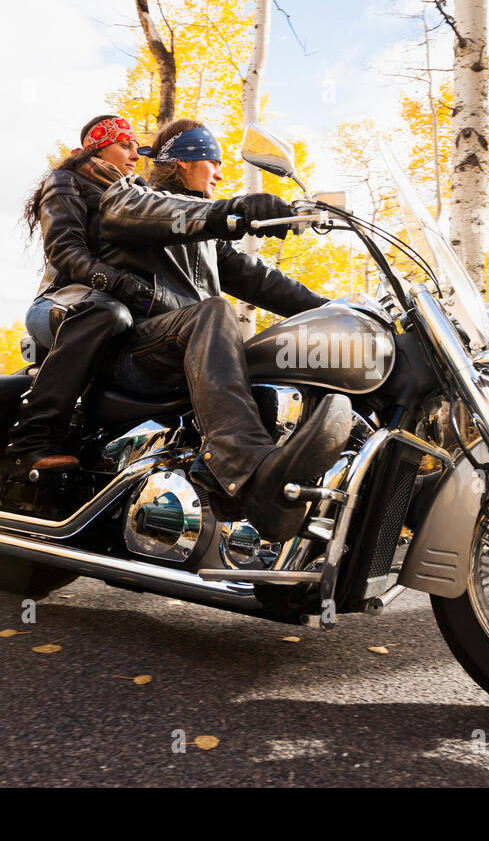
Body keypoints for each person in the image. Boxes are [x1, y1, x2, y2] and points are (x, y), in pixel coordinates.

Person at [95, 120, 352, 542]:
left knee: (283, 363)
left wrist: (338, 309)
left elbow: (263, 282)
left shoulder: (208, 236)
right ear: (180, 163)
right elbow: (151, 214)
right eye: (210, 161)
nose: (218, 171)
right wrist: (235, 210)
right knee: (214, 311)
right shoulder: (135, 198)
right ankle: (246, 471)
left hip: (184, 350)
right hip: (135, 351)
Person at [6, 114, 156, 472]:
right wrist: (118, 283)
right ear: (97, 147)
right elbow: (65, 251)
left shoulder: (135, 195)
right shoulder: (65, 182)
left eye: (137, 149)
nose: (135, 156)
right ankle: (32, 438)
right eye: (125, 146)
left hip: (116, 309)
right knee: (107, 314)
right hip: (60, 304)